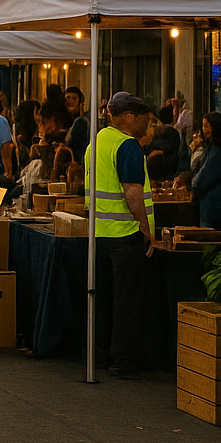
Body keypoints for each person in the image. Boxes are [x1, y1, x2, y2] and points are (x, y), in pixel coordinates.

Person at [87, 92, 157, 379]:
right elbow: (132, 191)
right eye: (144, 119)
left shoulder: (97, 141)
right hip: (125, 234)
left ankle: (100, 351)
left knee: (103, 297)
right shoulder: (128, 146)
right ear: (129, 117)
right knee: (127, 299)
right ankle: (124, 359)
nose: (147, 125)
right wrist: (145, 227)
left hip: (99, 233)